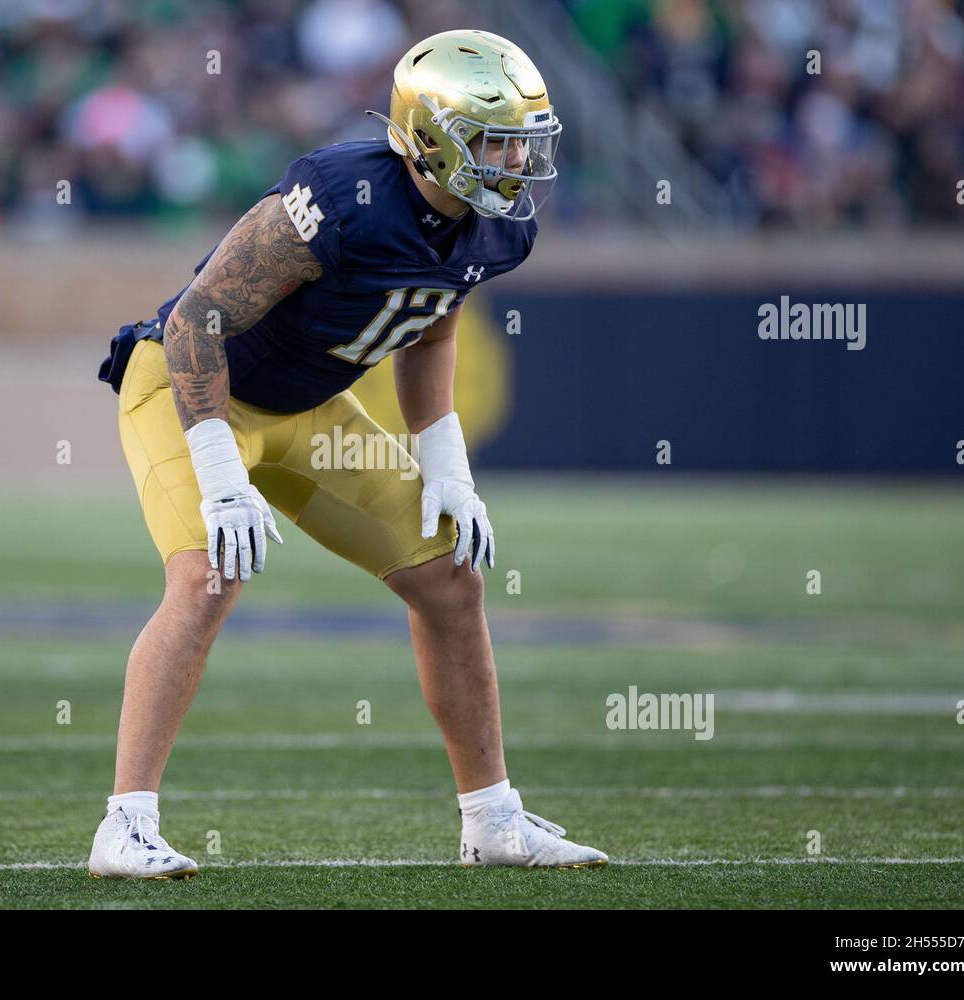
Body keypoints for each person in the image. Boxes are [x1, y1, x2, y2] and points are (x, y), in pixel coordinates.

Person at [91, 29, 606, 879]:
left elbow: (430, 326)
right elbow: (196, 322)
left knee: (450, 576)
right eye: (497, 139)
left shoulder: (497, 232)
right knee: (208, 574)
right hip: (189, 389)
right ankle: (125, 826)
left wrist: (447, 463)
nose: (517, 160)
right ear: (433, 138)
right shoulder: (342, 193)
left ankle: (493, 821)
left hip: (307, 409)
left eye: (525, 140)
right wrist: (220, 475)